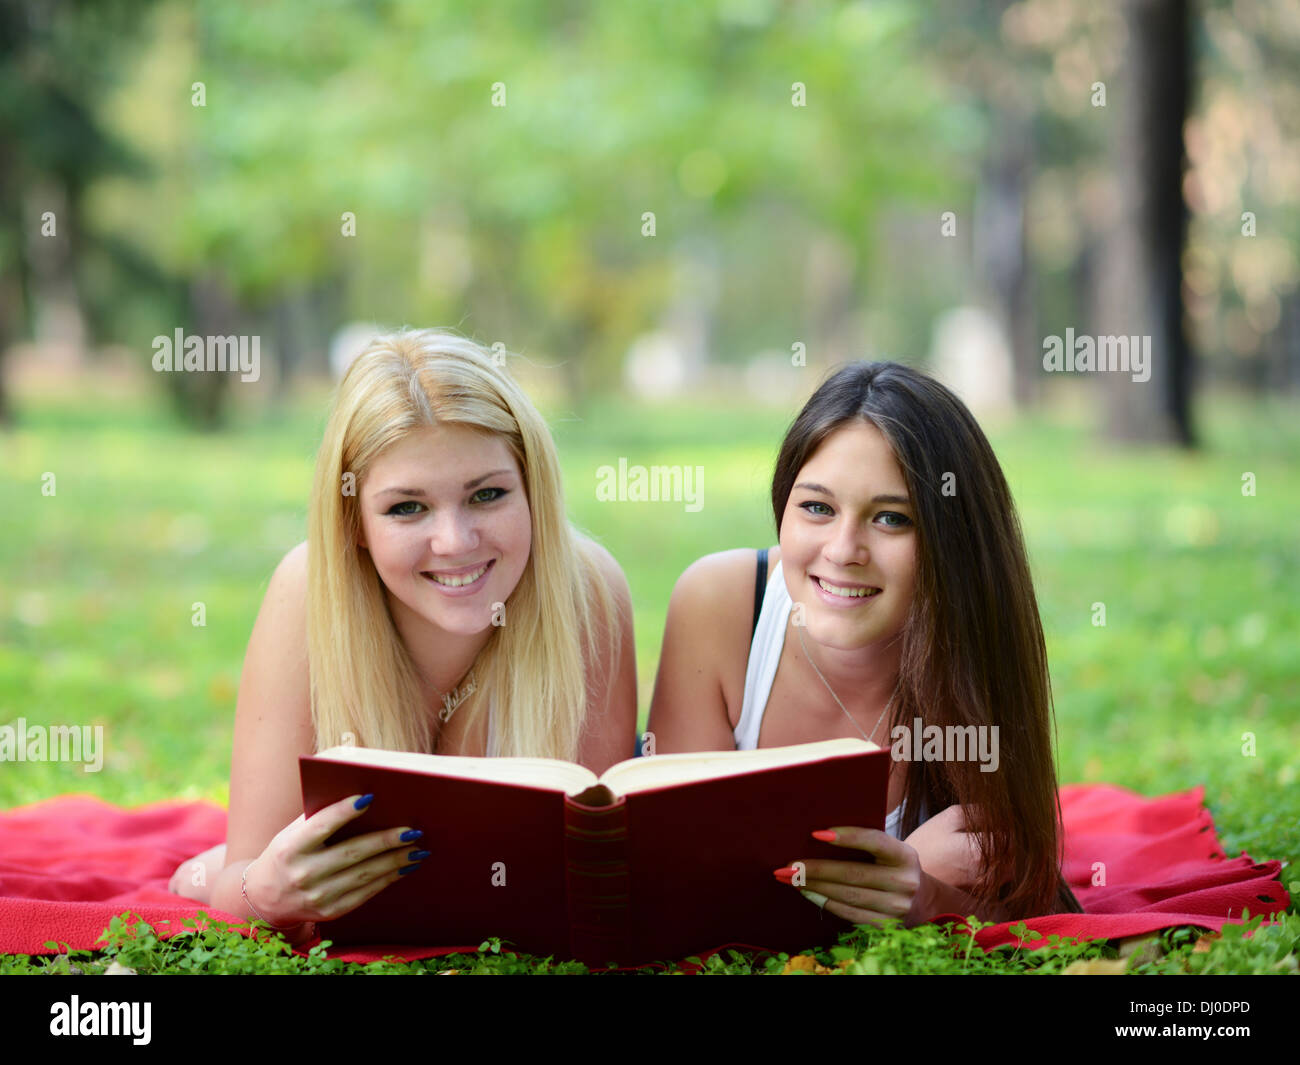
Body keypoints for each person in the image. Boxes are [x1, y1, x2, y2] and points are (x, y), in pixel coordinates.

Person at [168, 329, 637, 943]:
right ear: (354, 522)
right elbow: (241, 883)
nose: (455, 542)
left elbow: (605, 866)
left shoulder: (589, 590)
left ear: (533, 493)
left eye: (488, 495)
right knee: (196, 878)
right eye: (406, 508)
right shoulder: (307, 593)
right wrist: (262, 891)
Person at [647, 361, 1080, 928]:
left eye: (891, 518)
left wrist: (931, 900)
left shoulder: (976, 649)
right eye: (817, 508)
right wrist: (893, 872)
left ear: (954, 541)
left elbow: (1031, 908)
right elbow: (674, 875)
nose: (844, 549)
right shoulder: (722, 603)